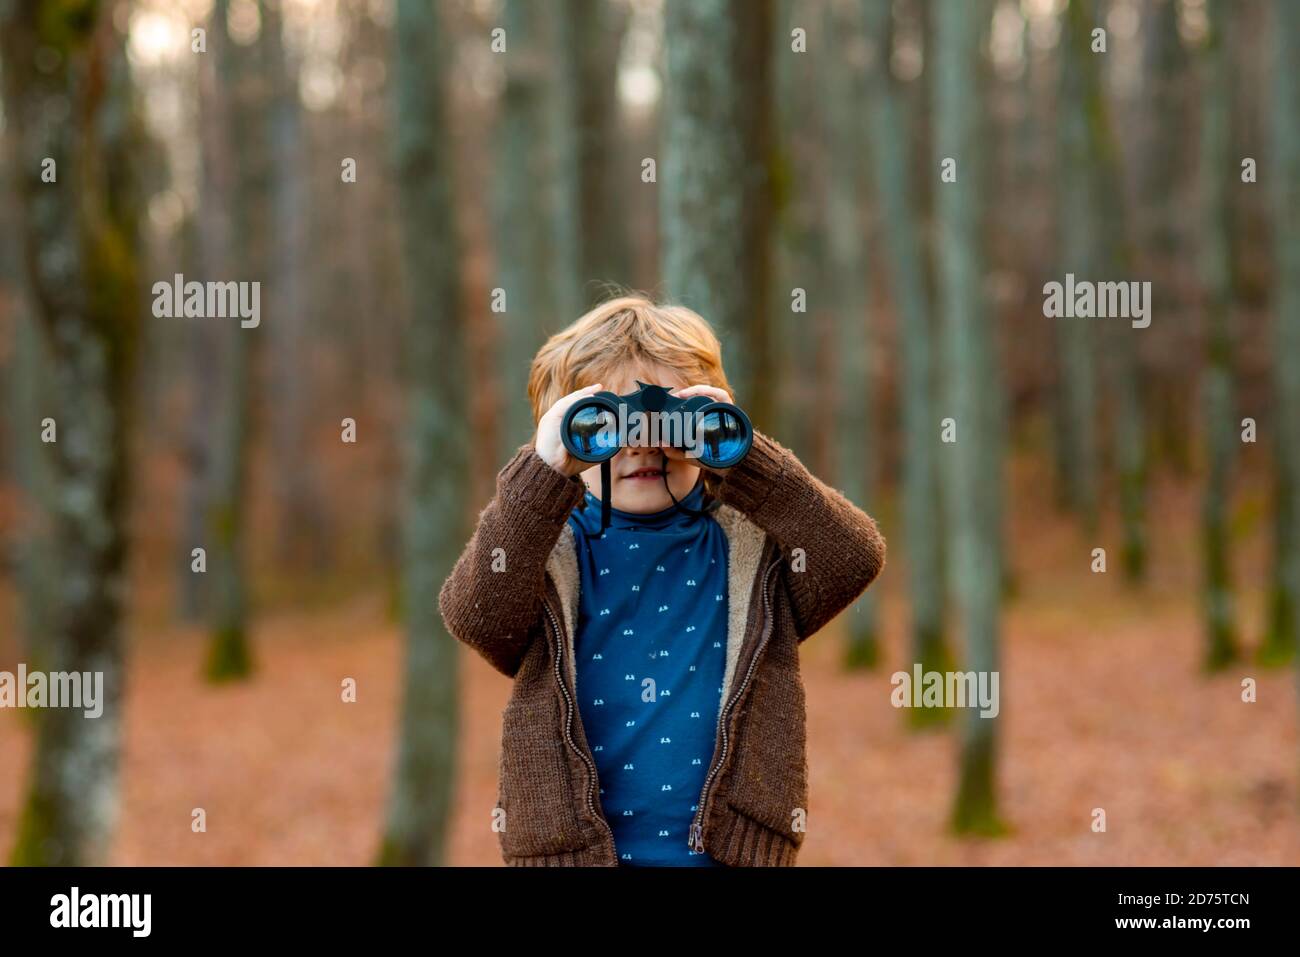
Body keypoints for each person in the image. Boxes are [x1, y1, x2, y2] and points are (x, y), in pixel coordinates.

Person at [438, 294, 886, 866]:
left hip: (730, 853)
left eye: (668, 421)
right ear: (566, 437)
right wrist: (539, 473)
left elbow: (851, 555)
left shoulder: (750, 550)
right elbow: (476, 616)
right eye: (606, 422)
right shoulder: (545, 551)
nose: (642, 444)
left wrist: (740, 457)